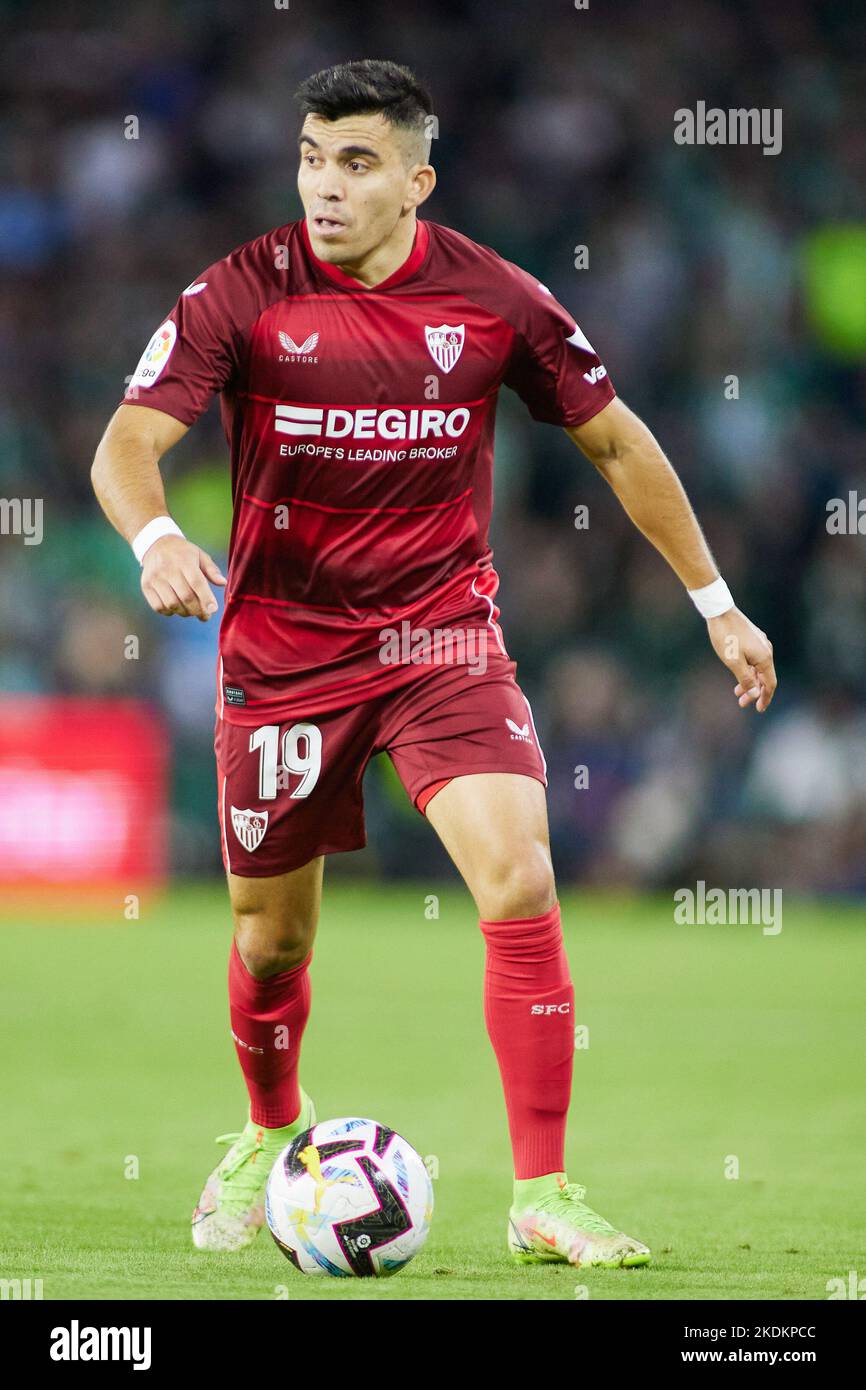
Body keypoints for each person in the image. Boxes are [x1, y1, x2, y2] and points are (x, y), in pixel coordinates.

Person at [91, 58, 776, 1270]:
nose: (324, 185)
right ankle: (268, 1126)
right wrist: (154, 537)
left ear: (418, 180)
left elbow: (616, 441)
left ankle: (541, 1193)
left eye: (355, 162)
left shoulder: (494, 299)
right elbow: (128, 441)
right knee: (271, 943)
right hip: (283, 653)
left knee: (517, 876)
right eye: (310, 156)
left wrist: (714, 603)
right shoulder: (240, 292)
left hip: (440, 640)